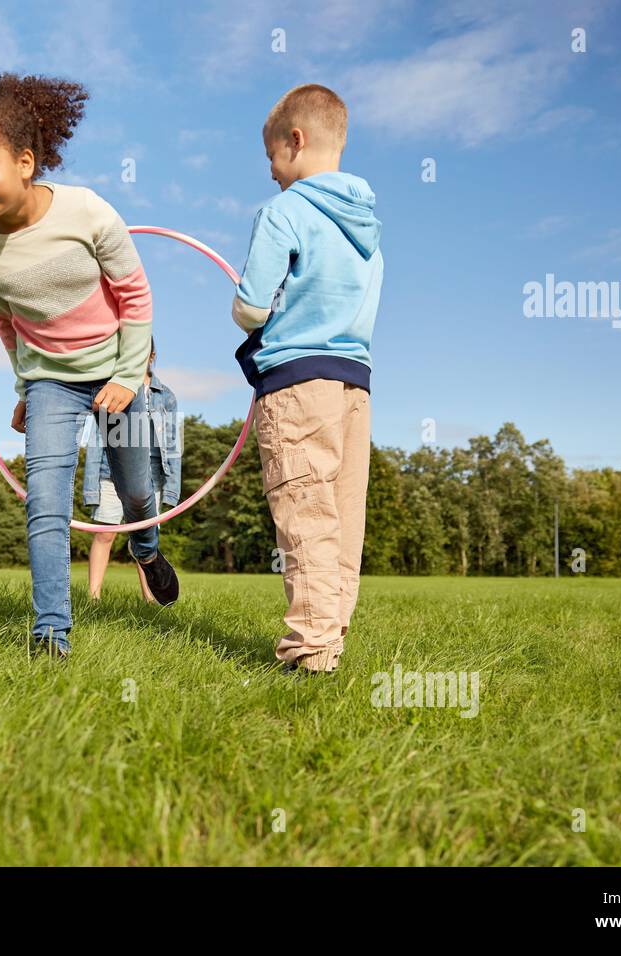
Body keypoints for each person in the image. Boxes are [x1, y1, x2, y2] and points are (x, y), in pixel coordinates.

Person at [0, 72, 180, 659]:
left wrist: (128, 378)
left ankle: (146, 548)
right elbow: (7, 324)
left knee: (133, 488)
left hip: (116, 370)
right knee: (45, 501)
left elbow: (137, 299)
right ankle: (51, 633)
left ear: (25, 161)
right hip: (51, 380)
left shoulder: (87, 212)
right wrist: (26, 384)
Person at [231, 84, 383, 676]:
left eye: (271, 156)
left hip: (297, 382)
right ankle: (329, 637)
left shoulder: (284, 211)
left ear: (295, 141)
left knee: (304, 510)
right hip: (355, 381)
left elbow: (250, 306)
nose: (271, 172)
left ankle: (310, 653)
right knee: (343, 517)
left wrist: (250, 311)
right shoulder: (368, 224)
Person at [84, 339, 181, 601]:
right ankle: (94, 596)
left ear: (151, 356)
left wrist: (173, 488)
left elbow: (173, 442)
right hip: (111, 471)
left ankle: (150, 597)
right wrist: (91, 485)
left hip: (153, 474)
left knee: (146, 537)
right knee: (105, 533)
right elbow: (97, 438)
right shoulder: (109, 389)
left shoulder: (166, 395)